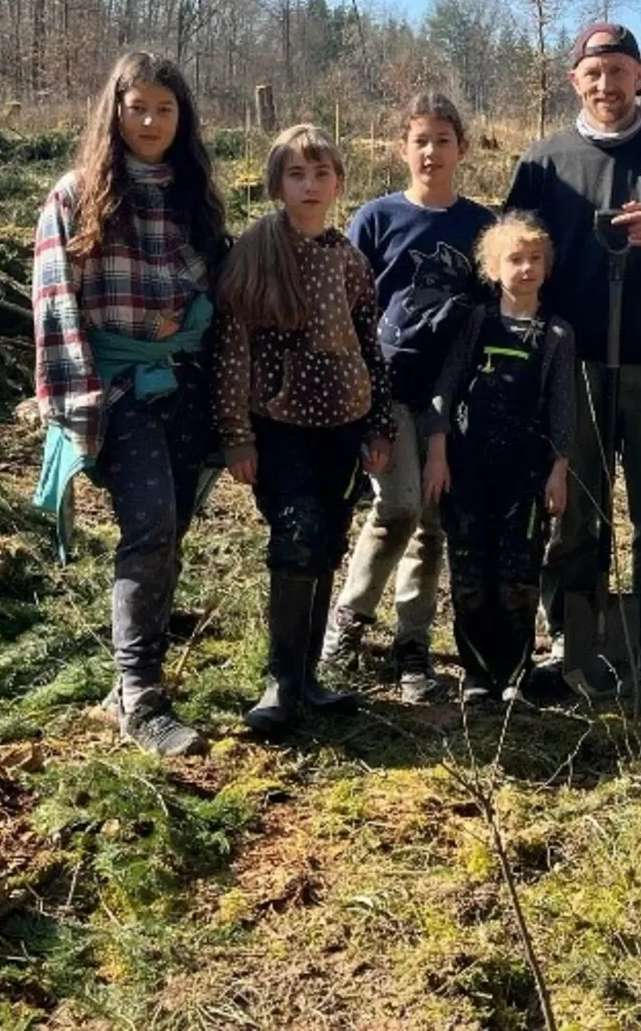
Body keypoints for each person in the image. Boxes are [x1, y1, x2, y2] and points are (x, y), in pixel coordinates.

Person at [503, 22, 641, 692]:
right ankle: (574, 643)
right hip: (571, 367)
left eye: (619, 70)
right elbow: (508, 258)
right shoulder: (544, 163)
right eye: (594, 73)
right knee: (572, 514)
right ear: (575, 80)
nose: (607, 84)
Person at [31, 51, 230, 758]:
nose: (150, 121)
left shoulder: (193, 195)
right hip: (117, 389)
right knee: (148, 526)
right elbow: (57, 303)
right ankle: (141, 696)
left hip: (181, 384)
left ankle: (125, 684)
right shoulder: (76, 195)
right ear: (114, 110)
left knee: (171, 529)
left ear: (183, 117)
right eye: (137, 106)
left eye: (164, 108)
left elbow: (218, 286)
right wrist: (84, 403)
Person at [214, 124, 395, 735]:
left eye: (320, 175)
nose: (309, 186)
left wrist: (378, 426)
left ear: (339, 183)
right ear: (276, 184)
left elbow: (372, 345)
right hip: (280, 423)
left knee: (329, 539)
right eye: (296, 174)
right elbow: (233, 347)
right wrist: (237, 434)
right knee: (298, 531)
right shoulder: (256, 252)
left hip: (343, 424)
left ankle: (310, 679)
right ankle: (280, 679)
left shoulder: (349, 259)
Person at [320, 92, 495, 703]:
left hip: (451, 396)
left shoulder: (480, 226)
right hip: (386, 389)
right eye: (420, 140)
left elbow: (488, 313)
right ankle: (346, 624)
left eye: (443, 141)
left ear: (461, 149)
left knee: (433, 524)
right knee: (395, 507)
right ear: (403, 148)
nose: (431, 152)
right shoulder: (376, 218)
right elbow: (345, 307)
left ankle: (412, 647)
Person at [422, 213, 577, 704]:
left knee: (517, 574)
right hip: (467, 467)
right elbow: (445, 387)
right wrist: (437, 452)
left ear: (547, 269)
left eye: (535, 260)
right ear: (492, 268)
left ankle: (513, 675)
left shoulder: (556, 335)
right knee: (469, 571)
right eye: (515, 259)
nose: (526, 268)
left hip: (526, 472)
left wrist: (559, 470)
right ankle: (475, 674)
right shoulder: (476, 321)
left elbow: (563, 406)